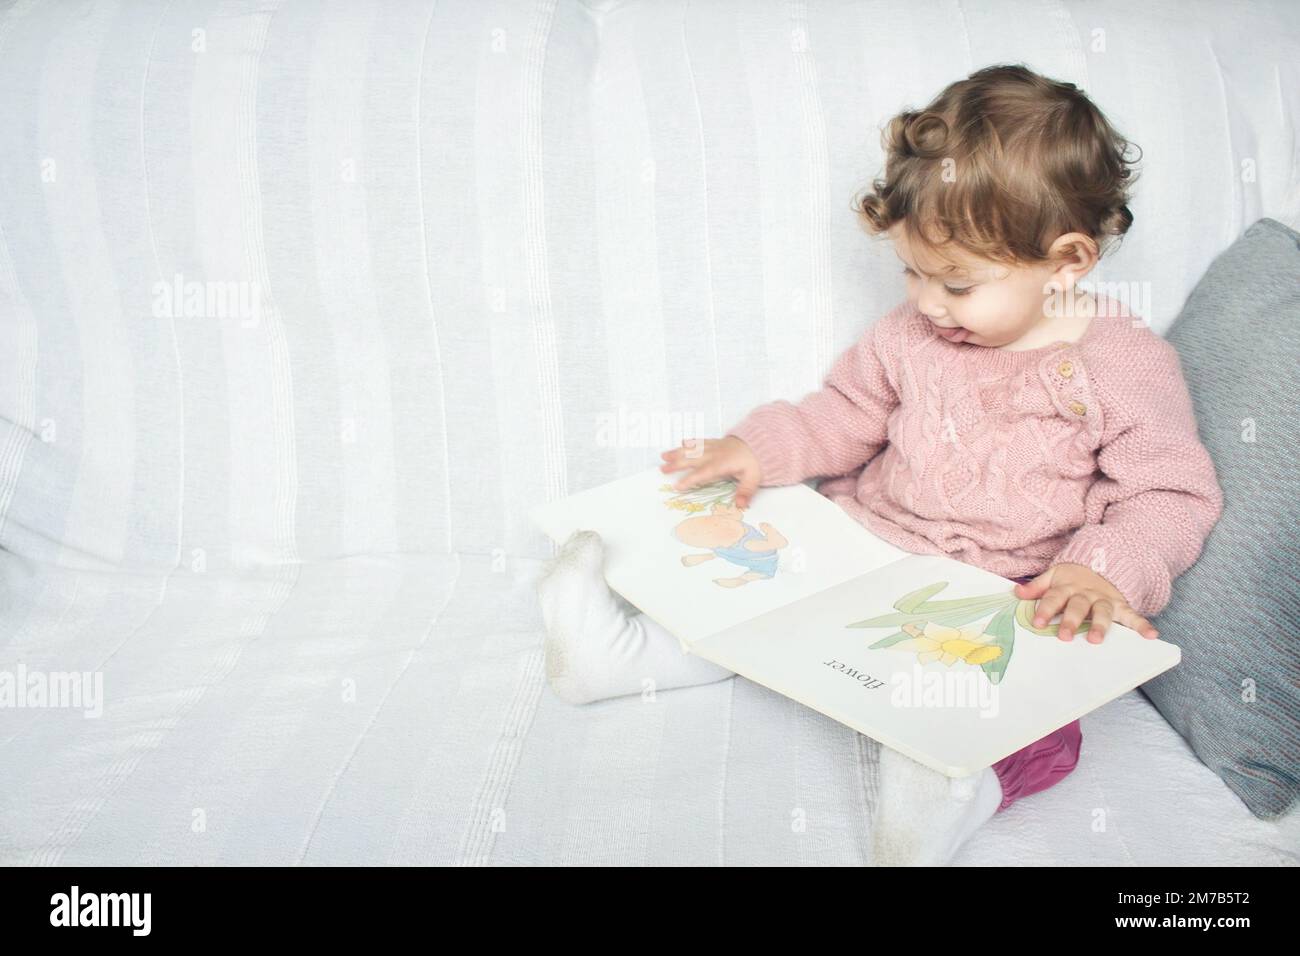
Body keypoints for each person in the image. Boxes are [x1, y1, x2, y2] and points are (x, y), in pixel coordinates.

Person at [535, 64, 1224, 865]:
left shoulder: (1121, 362)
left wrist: (1101, 574)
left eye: (958, 281)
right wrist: (758, 448)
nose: (929, 302)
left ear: (1067, 261)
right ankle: (628, 657)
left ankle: (952, 794)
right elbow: (847, 413)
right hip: (863, 547)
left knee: (1039, 710)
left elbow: (1167, 492)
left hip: (1001, 595)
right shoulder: (910, 334)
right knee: (763, 600)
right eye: (914, 272)